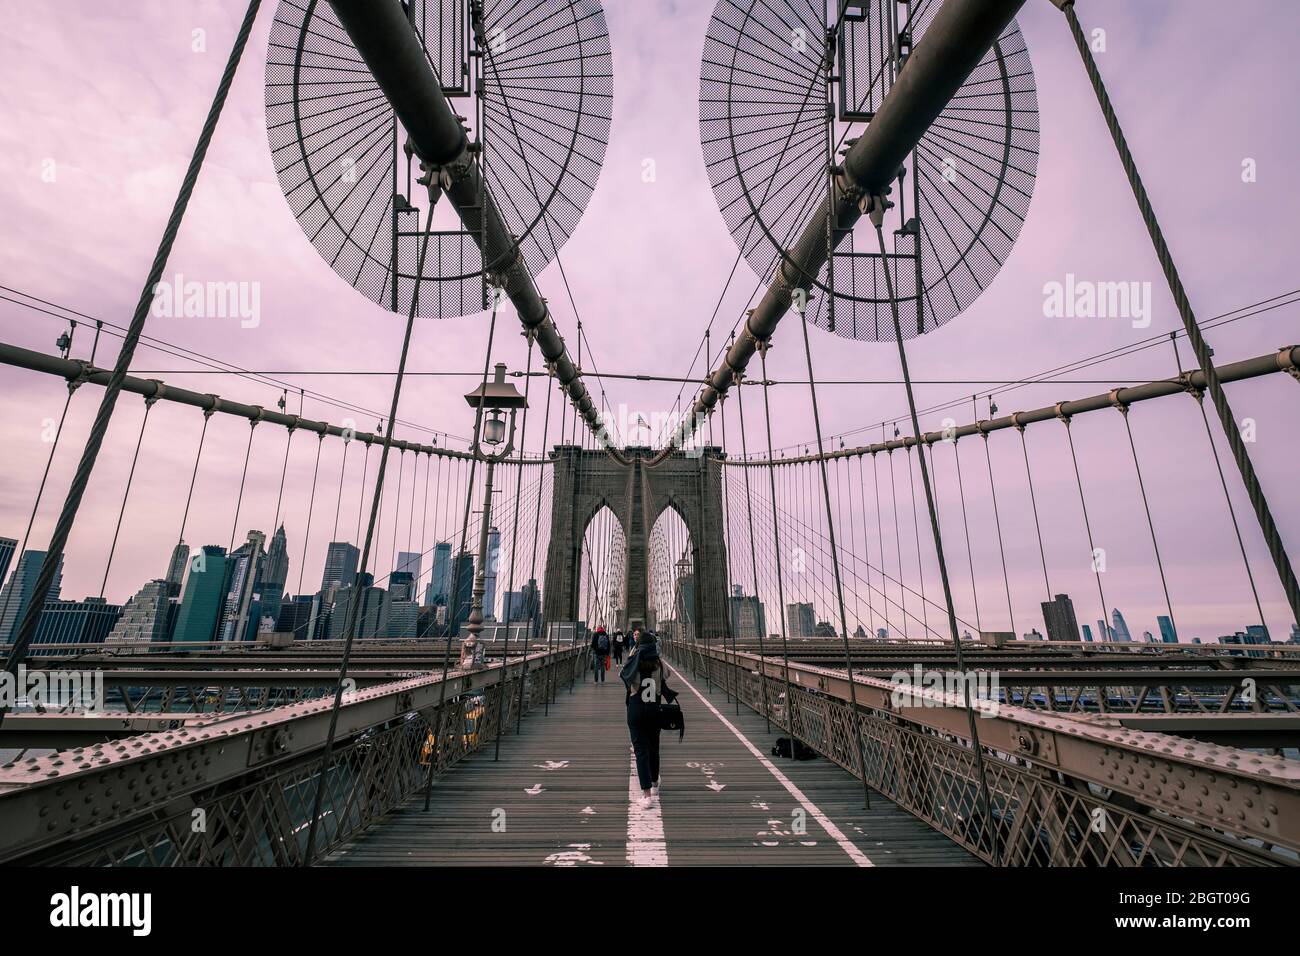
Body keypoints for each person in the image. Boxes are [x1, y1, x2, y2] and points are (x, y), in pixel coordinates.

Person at [621, 629, 673, 808]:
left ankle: (646, 795)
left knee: (641, 751)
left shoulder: (634, 661)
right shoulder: (659, 663)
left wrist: (634, 653)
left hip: (636, 709)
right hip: (654, 709)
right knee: (654, 747)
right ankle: (655, 784)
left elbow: (625, 676)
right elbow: (668, 675)